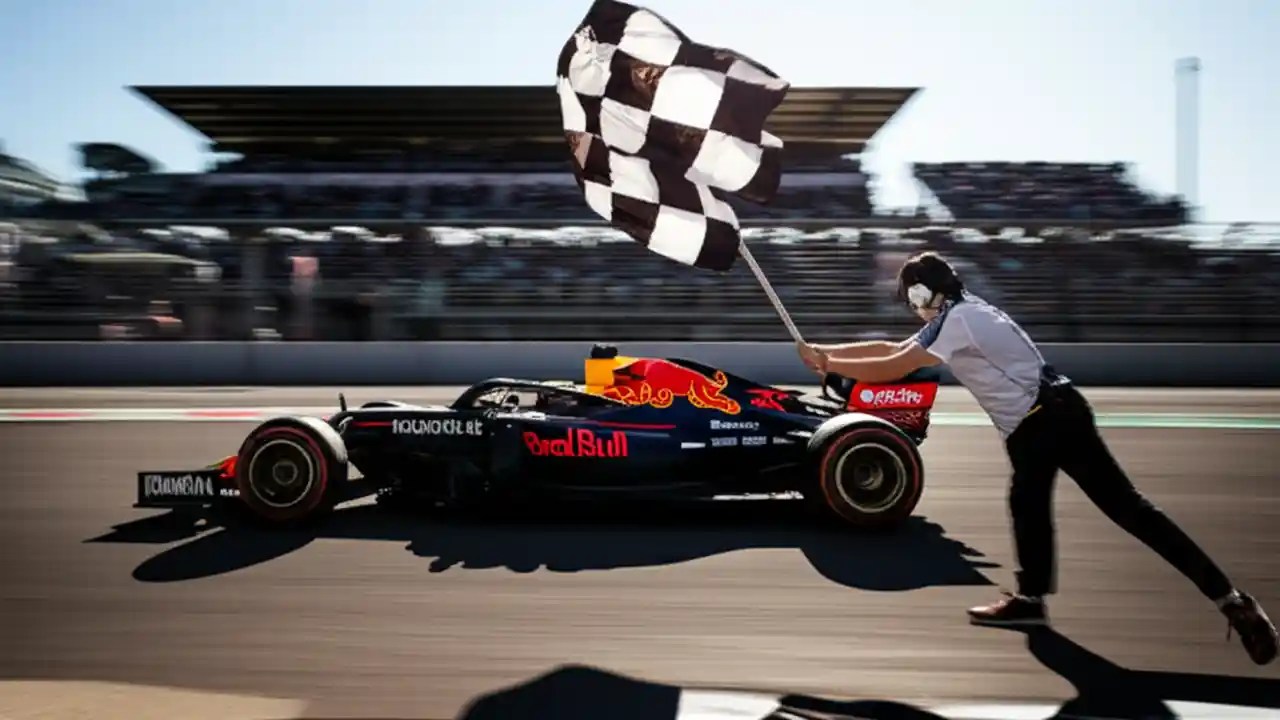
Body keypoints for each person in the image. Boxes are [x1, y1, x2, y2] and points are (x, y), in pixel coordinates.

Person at [796, 250, 1278, 666]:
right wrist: (826, 353)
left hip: (1042, 421)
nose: (911, 309)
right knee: (1097, 509)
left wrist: (833, 364)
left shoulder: (958, 320)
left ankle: (1031, 599)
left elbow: (896, 365)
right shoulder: (964, 313)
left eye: (911, 299)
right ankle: (1229, 600)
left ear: (923, 294)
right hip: (1056, 412)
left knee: (1054, 506)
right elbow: (890, 348)